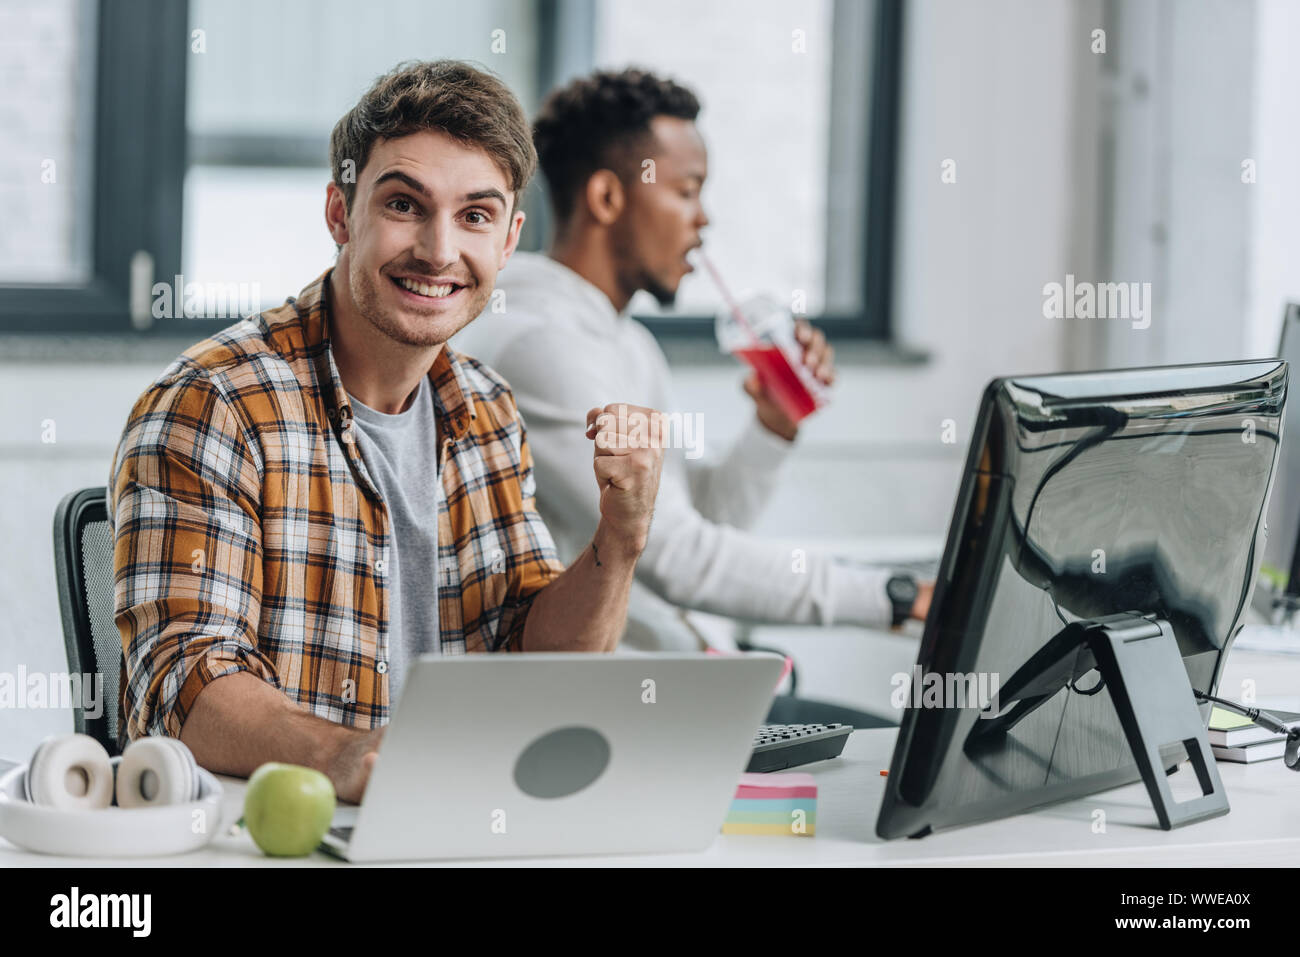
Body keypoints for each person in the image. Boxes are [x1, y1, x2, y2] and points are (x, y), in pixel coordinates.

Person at [107, 61, 666, 803]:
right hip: (274, 839)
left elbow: (533, 655)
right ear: (341, 214)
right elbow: (182, 684)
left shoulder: (488, 408)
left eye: (475, 215)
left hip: (462, 823)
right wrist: (350, 759)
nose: (438, 251)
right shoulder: (215, 404)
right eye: (405, 204)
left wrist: (619, 542)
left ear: (508, 239)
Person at [454, 68, 931, 653]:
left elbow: (698, 520)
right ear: (607, 197)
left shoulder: (626, 342)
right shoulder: (543, 344)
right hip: (604, 704)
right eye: (686, 191)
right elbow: (675, 555)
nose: (703, 218)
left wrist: (772, 430)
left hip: (679, 675)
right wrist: (895, 596)